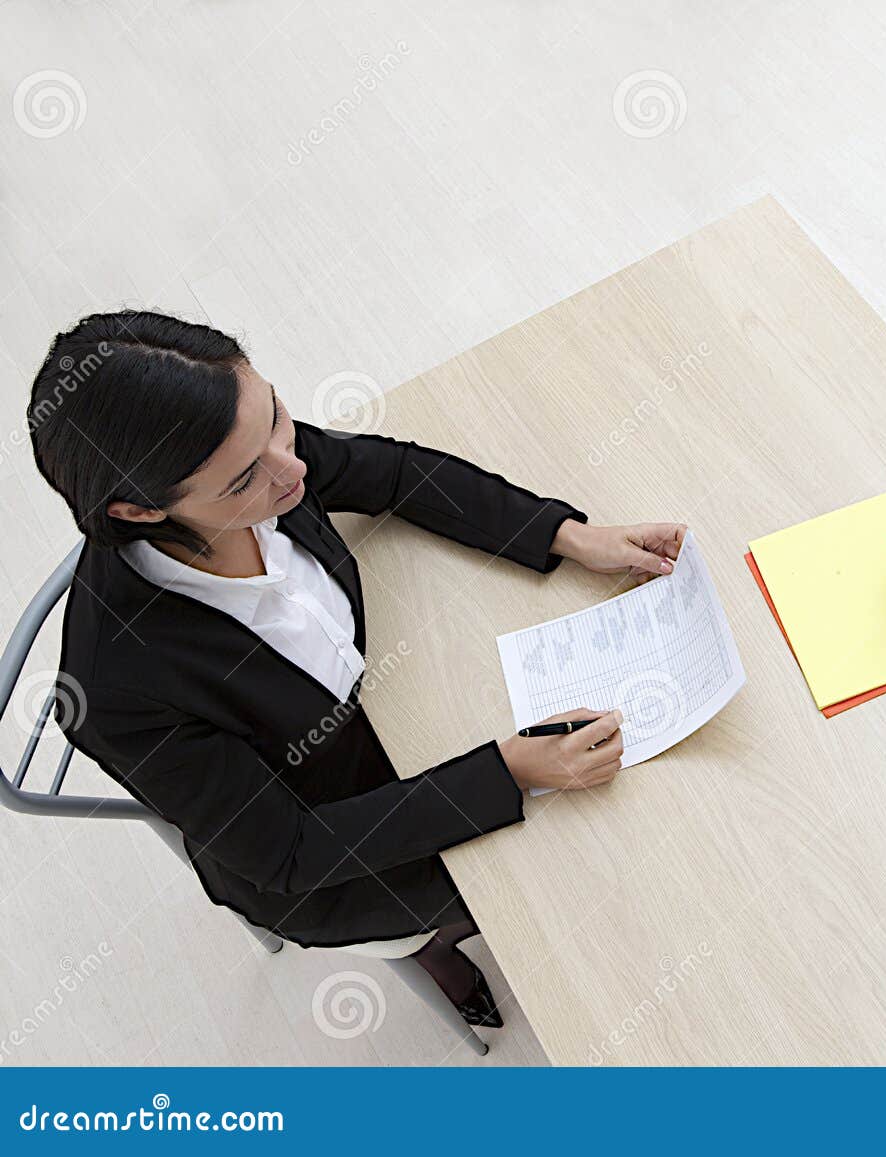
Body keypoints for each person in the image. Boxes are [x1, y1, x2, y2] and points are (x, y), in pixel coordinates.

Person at [28, 310, 687, 1026]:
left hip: (382, 719)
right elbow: (289, 852)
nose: (294, 469)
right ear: (139, 511)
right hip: (320, 847)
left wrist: (567, 535)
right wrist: (509, 772)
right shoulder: (117, 689)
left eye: (277, 415)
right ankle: (432, 942)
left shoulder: (254, 452)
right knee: (546, 871)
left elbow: (393, 473)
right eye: (245, 479)